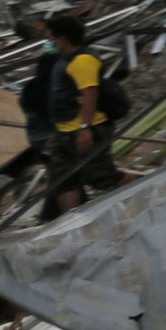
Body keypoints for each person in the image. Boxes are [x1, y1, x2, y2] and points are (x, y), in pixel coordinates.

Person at [29, 13, 107, 215]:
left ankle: (149, 185)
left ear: (62, 39)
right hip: (65, 131)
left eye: (52, 38)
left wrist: (85, 128)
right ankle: (72, 223)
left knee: (104, 177)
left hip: (83, 129)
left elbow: (90, 96)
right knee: (62, 180)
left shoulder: (82, 61)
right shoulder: (64, 60)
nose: (50, 42)